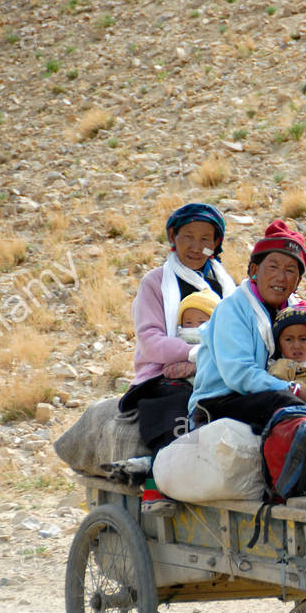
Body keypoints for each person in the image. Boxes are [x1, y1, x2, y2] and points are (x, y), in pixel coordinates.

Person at [120, 203, 238, 511]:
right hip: (163, 375)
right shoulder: (155, 283)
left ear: (217, 244)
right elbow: (151, 344)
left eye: (206, 238)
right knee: (177, 406)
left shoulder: (227, 286)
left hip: (217, 370)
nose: (197, 247)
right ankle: (156, 484)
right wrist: (198, 353)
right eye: (188, 237)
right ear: (173, 237)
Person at [188, 219, 306, 432]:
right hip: (219, 402)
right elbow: (239, 374)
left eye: (290, 270)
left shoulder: (297, 312)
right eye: (273, 266)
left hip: (269, 394)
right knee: (286, 405)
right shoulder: (233, 309)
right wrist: (294, 389)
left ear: (299, 280)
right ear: (254, 270)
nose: (280, 277)